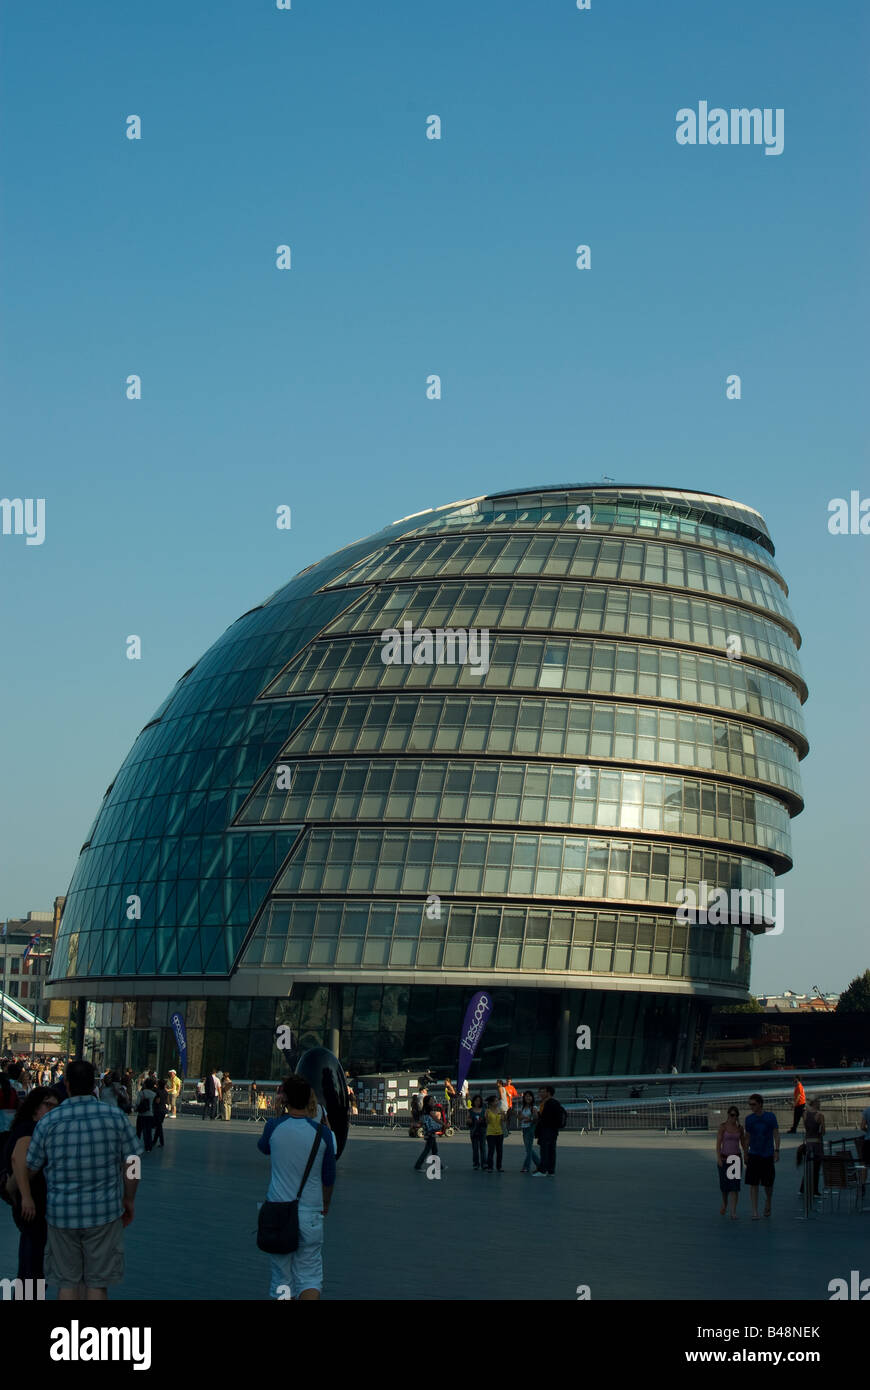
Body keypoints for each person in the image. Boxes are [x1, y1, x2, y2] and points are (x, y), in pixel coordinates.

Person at [26, 1059, 143, 1301]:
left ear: (66, 1084)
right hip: (105, 1212)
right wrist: (128, 1198)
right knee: (97, 1284)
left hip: (61, 1215)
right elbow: (133, 1163)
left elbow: (31, 1167)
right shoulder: (115, 1118)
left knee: (67, 1283)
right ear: (93, 1085)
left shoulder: (49, 1122)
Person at [257, 1073, 335, 1300]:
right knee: (310, 1276)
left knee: (281, 1277)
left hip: (279, 1212)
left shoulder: (273, 1127)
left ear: (285, 1099)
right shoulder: (323, 1134)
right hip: (311, 1210)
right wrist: (325, 1203)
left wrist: (276, 1112)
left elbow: (264, 1148)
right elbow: (328, 1176)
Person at [3, 1086, 59, 1280]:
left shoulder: (27, 1128)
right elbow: (18, 1160)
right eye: (48, 1105)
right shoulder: (31, 1129)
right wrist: (24, 1197)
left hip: (31, 1202)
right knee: (34, 1264)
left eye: (55, 1106)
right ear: (36, 1107)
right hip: (34, 1202)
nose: (52, 1110)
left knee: (30, 1260)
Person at [744, 1093, 780, 1220]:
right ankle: (754, 1211)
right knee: (753, 1183)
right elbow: (747, 1137)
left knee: (768, 1184)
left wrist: (777, 1150)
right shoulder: (749, 1119)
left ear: (760, 1104)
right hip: (754, 1153)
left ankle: (768, 1201)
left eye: (753, 1104)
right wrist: (745, 1153)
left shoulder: (770, 1117)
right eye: (750, 1104)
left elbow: (776, 1133)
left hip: (767, 1154)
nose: (751, 1107)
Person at [715, 1106, 747, 1219]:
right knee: (725, 1187)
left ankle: (733, 1211)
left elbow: (743, 1142)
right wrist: (718, 1157)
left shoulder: (740, 1128)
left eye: (734, 1115)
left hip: (736, 1159)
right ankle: (725, 1203)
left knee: (734, 1186)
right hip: (724, 1158)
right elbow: (718, 1143)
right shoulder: (723, 1127)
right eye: (730, 1115)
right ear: (728, 1115)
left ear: (737, 1116)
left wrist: (746, 1154)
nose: (732, 1117)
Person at [533, 1085, 565, 1178]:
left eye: (542, 1091)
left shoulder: (549, 1103)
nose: (540, 1093)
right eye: (540, 1091)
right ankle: (551, 1171)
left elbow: (545, 1118)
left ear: (548, 1093)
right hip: (552, 1130)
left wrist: (538, 1115)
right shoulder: (549, 1103)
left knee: (545, 1150)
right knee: (551, 1150)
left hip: (547, 1130)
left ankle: (543, 1170)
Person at [800, 1098, 825, 1199]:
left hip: (808, 1142)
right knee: (816, 1168)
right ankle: (814, 1190)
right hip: (817, 1144)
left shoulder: (805, 1114)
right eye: (819, 1102)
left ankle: (803, 1188)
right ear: (815, 1103)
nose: (820, 1104)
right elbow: (823, 1131)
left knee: (808, 1167)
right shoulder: (820, 1115)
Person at [414, 1097, 443, 1173]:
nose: (433, 1101)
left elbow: (422, 1120)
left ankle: (439, 1166)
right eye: (432, 1100)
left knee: (434, 1150)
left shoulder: (424, 1109)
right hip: (430, 1131)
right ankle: (418, 1165)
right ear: (428, 1102)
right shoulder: (428, 1109)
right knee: (427, 1150)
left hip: (428, 1131)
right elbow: (435, 1118)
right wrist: (443, 1124)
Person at [519, 1091, 541, 1174]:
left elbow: (536, 1118)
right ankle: (540, 1164)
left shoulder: (534, 1107)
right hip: (524, 1129)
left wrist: (529, 1119)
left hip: (530, 1129)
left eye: (529, 1096)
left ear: (532, 1098)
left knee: (528, 1149)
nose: (528, 1098)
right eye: (526, 1096)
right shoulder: (523, 1107)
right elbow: (521, 1118)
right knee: (529, 1149)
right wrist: (519, 1116)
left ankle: (526, 1167)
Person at [484, 1095, 505, 1173]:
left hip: (500, 1132)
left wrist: (504, 1115)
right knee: (491, 1150)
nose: (497, 1102)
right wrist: (486, 1117)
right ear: (491, 1103)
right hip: (490, 1133)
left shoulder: (500, 1110)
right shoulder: (487, 1111)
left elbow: (503, 1120)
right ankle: (490, 1166)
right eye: (495, 1101)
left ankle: (499, 1167)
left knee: (500, 1151)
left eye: (497, 1101)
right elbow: (487, 1122)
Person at [136, 1077, 157, 1153]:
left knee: (139, 1131)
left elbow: (137, 1103)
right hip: (150, 1115)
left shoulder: (142, 1093)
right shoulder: (154, 1094)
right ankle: (148, 1146)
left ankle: (136, 1145)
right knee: (148, 1131)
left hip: (141, 1115)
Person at [468, 1095, 487, 1169]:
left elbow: (486, 1120)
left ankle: (484, 1163)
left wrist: (484, 1120)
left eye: (479, 1101)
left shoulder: (484, 1110)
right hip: (474, 1131)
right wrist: (469, 1121)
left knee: (483, 1148)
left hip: (482, 1130)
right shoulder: (470, 1110)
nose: (477, 1102)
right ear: (473, 1101)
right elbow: (468, 1119)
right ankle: (476, 1164)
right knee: (475, 1148)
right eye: (476, 1100)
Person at [152, 1081, 168, 1148]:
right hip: (163, 1110)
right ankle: (155, 1141)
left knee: (159, 1127)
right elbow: (167, 1101)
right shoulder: (165, 1092)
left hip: (158, 1110)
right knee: (159, 1126)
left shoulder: (158, 1092)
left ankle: (161, 1141)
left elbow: (157, 1101)